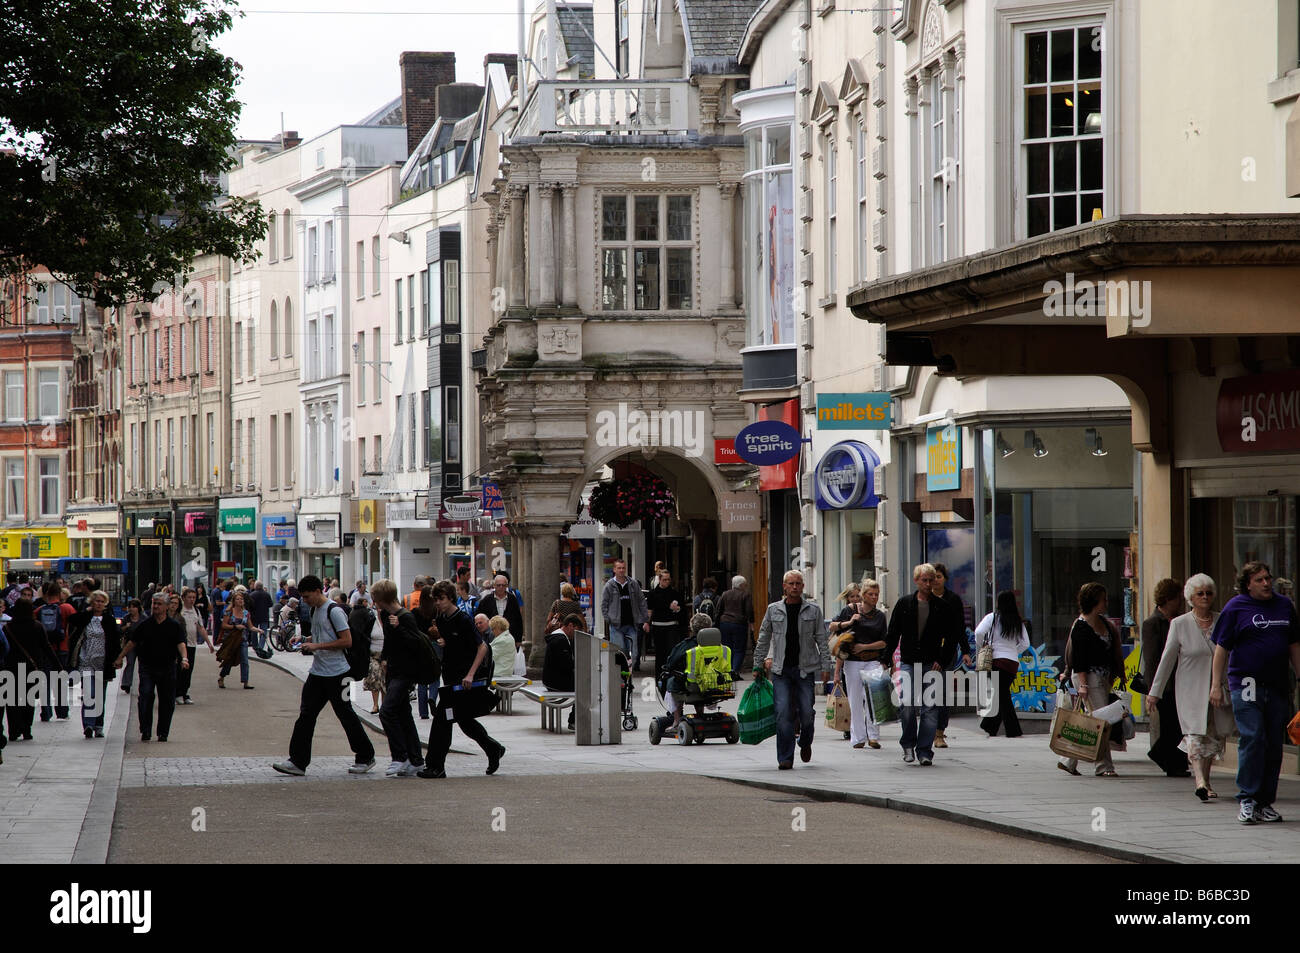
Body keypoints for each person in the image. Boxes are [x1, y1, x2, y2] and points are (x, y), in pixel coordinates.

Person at [1210, 562, 1300, 824]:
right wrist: (1216, 684)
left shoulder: (1284, 606)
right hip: (1246, 684)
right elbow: (1221, 649)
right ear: (1247, 583)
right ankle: (1247, 798)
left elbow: (1294, 643)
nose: (1266, 583)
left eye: (1268, 578)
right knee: (1253, 736)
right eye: (1259, 579)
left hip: (1277, 685)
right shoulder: (1235, 608)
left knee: (1273, 743)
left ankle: (1264, 802)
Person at [272, 575, 376, 777]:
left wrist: (316, 646)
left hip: (339, 673)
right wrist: (304, 639)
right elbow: (323, 634)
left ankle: (365, 756)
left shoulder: (334, 611)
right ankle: (297, 761)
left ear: (319, 591)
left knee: (346, 715)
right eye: (302, 597)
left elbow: (346, 641)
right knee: (306, 715)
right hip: (318, 673)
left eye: (307, 596)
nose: (304, 600)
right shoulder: (314, 609)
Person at [1149, 574, 1236, 803]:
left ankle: (1206, 781)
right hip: (1189, 690)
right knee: (1195, 736)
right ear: (1190, 598)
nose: (1205, 597)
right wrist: (1154, 692)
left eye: (1209, 592)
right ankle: (1200, 781)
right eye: (1200, 594)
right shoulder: (1179, 624)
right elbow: (1166, 660)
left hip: (1218, 688)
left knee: (1212, 736)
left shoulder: (1222, 620)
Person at [417, 581, 504, 779]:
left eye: (441, 599)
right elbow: (456, 642)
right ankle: (493, 749)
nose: (437, 603)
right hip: (451, 677)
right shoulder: (441, 618)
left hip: (463, 680)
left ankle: (436, 766)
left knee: (442, 720)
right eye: (436, 599)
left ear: (450, 598)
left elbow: (482, 647)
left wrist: (471, 674)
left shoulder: (464, 619)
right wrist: (444, 640)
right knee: (463, 720)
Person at [753, 570, 831, 770]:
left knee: (807, 713)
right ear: (784, 586)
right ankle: (785, 757)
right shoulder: (773, 610)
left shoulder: (813, 611)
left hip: (805, 670)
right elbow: (763, 637)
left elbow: (822, 639)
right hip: (781, 671)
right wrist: (757, 663)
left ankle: (805, 742)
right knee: (783, 713)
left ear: (803, 586)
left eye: (798, 583)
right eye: (791, 583)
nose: (795, 587)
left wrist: (826, 666)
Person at [885, 563, 954, 766]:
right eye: (924, 580)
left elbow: (949, 638)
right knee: (906, 704)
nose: (928, 583)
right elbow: (893, 633)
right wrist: (886, 658)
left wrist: (941, 660)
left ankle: (924, 750)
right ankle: (908, 744)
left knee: (930, 709)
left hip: (931, 664)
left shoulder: (942, 607)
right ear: (916, 581)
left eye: (931, 580)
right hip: (908, 662)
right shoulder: (905, 603)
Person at [1057, 582, 1126, 778]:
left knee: (1089, 722)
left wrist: (1118, 672)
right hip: (1089, 679)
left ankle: (1068, 760)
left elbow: (1112, 651)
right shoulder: (1081, 626)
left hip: (1103, 677)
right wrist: (1083, 684)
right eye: (1103, 599)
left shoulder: (1104, 624)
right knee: (1101, 723)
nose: (1106, 602)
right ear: (1095, 601)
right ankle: (1104, 766)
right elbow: (1078, 659)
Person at [114, 593, 188, 742]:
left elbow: (180, 643)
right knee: (146, 696)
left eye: (159, 604)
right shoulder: (145, 624)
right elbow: (132, 642)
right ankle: (146, 730)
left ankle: (163, 732)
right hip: (147, 667)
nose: (155, 606)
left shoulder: (174, 626)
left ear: (166, 607)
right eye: (154, 603)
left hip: (167, 667)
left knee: (167, 700)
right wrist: (120, 656)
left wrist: (184, 658)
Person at [371, 580, 426, 777]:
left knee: (387, 712)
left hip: (406, 673)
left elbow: (415, 644)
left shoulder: (406, 617)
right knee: (403, 715)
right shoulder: (386, 615)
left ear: (381, 598)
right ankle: (416, 760)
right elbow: (389, 642)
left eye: (375, 597)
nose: (373, 601)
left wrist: (400, 626)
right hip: (393, 672)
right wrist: (385, 659)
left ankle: (399, 756)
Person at [830, 578, 889, 749]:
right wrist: (849, 622)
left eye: (876, 594)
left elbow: (885, 641)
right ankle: (858, 737)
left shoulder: (880, 616)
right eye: (870, 594)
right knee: (855, 700)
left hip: (872, 660)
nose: (874, 597)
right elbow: (832, 627)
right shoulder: (850, 610)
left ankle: (873, 736)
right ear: (863, 595)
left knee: (873, 698)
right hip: (853, 662)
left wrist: (865, 647)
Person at [1141, 578, 1190, 777]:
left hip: (1181, 681)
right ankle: (1164, 757)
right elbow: (1152, 658)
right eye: (1177, 598)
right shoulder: (1152, 623)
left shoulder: (1181, 620)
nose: (1180, 602)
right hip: (1164, 684)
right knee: (1171, 725)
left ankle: (1176, 763)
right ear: (1168, 599)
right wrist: (1155, 689)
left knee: (1178, 724)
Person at [975, 590, 1031, 738]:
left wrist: (982, 646)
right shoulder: (1018, 621)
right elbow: (1026, 643)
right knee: (1001, 694)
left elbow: (979, 633)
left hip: (997, 661)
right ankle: (990, 727)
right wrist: (1014, 651)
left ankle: (1013, 730)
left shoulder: (992, 618)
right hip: (1012, 663)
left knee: (1002, 696)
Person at [69, 590, 122, 738]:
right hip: (86, 660)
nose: (98, 604)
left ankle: (99, 725)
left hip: (102, 662)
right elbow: (72, 619)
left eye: (101, 601)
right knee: (89, 693)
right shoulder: (86, 618)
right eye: (96, 601)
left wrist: (118, 658)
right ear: (91, 603)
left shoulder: (109, 620)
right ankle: (88, 724)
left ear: (105, 604)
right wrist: (86, 611)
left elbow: (115, 641)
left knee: (100, 696)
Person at [931, 564, 971, 749]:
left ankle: (939, 732)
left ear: (945, 578)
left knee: (943, 693)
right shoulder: (924, 598)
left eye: (939, 576)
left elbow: (959, 627)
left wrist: (965, 651)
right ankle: (928, 729)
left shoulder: (953, 599)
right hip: (926, 652)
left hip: (947, 651)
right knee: (928, 692)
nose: (935, 580)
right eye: (933, 577)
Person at [3, 599, 49, 741]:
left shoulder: (8, 627)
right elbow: (46, 646)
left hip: (12, 668)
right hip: (32, 668)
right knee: (29, 700)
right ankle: (26, 729)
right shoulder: (37, 626)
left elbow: (4, 648)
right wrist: (58, 666)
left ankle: (14, 730)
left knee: (12, 700)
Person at [661, 613, 714, 728]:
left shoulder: (686, 645)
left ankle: (676, 720)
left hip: (691, 684)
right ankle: (700, 715)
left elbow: (671, 663)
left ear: (692, 628)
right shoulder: (718, 646)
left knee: (672, 682)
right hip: (713, 682)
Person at [34, 582, 74, 720]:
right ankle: (62, 712)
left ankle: (46, 713)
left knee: (44, 682)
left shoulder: (39, 610)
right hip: (62, 648)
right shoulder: (66, 608)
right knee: (60, 682)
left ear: (46, 595)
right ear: (59, 594)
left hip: (45, 651)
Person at [600, 559, 649, 673]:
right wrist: (609, 619)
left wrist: (644, 618)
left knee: (634, 653)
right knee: (620, 651)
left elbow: (642, 601)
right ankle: (620, 675)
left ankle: (629, 674)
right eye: (619, 568)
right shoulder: (609, 586)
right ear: (614, 570)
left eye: (623, 568)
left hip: (632, 624)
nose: (621, 570)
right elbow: (604, 605)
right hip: (616, 626)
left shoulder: (633, 584)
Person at [175, 588, 214, 705]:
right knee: (179, 670)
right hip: (180, 644)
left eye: (193, 597)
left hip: (192, 644)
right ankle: (177, 693)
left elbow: (200, 627)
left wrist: (209, 643)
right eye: (189, 597)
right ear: (183, 598)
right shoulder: (179, 611)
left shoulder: (196, 611)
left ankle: (185, 693)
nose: (192, 600)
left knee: (188, 670)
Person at [647, 570, 687, 681]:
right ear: (659, 580)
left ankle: (670, 677)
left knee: (671, 653)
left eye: (668, 579)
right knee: (659, 654)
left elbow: (682, 610)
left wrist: (677, 609)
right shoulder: (653, 594)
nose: (667, 581)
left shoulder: (675, 593)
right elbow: (649, 610)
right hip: (658, 626)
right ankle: (659, 678)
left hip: (671, 627)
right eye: (664, 579)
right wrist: (647, 623)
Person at [216, 590, 258, 690]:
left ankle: (245, 682)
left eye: (242, 599)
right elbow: (224, 625)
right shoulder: (229, 612)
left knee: (244, 660)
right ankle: (221, 677)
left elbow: (250, 626)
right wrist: (235, 626)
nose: (240, 601)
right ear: (234, 601)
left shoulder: (246, 613)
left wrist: (259, 630)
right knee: (229, 659)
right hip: (231, 640)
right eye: (238, 599)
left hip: (242, 639)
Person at [717, 575, 753, 680]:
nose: (746, 586)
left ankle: (727, 670)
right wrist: (751, 623)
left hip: (725, 623)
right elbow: (749, 610)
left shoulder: (725, 594)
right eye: (745, 584)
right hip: (739, 623)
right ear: (741, 585)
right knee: (739, 648)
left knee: (727, 648)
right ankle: (734, 670)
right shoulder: (745, 595)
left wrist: (717, 622)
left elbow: (719, 609)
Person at [349, 595, 381, 713]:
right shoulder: (369, 617)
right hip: (369, 653)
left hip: (356, 649)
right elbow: (365, 633)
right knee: (374, 679)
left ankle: (352, 700)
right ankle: (375, 705)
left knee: (382, 681)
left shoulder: (353, 612)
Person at [478, 575, 525, 650]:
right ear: (494, 586)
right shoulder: (486, 600)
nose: (501, 587)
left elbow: (518, 619)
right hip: (492, 638)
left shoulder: (512, 599)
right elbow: (480, 616)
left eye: (503, 585)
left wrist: (518, 639)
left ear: (507, 586)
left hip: (509, 637)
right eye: (498, 585)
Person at [543, 614, 579, 693]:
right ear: (570, 625)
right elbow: (567, 664)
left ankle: (576, 705)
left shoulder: (557, 636)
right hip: (557, 683)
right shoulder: (561, 640)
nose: (576, 634)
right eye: (577, 630)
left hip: (550, 680)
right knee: (587, 684)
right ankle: (577, 705)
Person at [118, 599, 144, 694]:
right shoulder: (126, 618)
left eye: (134, 607)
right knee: (130, 663)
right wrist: (126, 627)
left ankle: (144, 684)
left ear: (138, 608)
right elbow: (120, 631)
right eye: (130, 607)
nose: (131, 609)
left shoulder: (144, 618)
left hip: (142, 646)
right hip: (130, 645)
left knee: (143, 666)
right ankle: (126, 683)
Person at [247, 581, 275, 654]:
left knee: (254, 631)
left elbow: (249, 606)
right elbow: (271, 604)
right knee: (263, 631)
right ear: (262, 587)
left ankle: (255, 646)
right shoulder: (267, 594)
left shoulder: (252, 595)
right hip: (264, 616)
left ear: (255, 587)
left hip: (254, 616)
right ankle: (261, 646)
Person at [487, 616, 516, 683]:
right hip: (502, 670)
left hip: (500, 672)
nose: (492, 631)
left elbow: (491, 656)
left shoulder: (503, 640)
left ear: (498, 628)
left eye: (493, 629)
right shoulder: (505, 637)